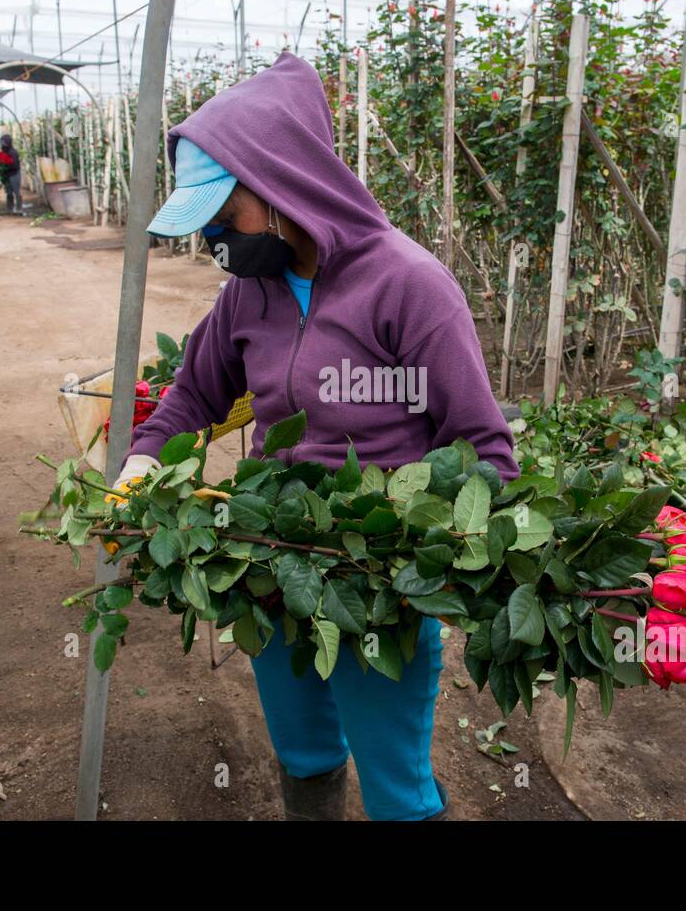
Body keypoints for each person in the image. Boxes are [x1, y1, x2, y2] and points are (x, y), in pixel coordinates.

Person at [115, 52, 518, 822]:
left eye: (223, 216)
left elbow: (486, 450)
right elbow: (193, 394)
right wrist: (140, 464)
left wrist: (409, 539)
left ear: (279, 185)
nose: (215, 239)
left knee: (398, 791)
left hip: (376, 586)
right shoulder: (249, 295)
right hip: (273, 569)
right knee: (303, 754)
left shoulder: (408, 285)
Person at [0, 134, 23, 214]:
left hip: (14, 174)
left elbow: (15, 165)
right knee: (9, 193)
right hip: (7, 175)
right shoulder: (3, 152)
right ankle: (9, 208)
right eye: (1, 143)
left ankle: (19, 209)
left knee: (16, 192)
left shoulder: (13, 152)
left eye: (4, 143)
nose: (2, 144)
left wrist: (6, 167)